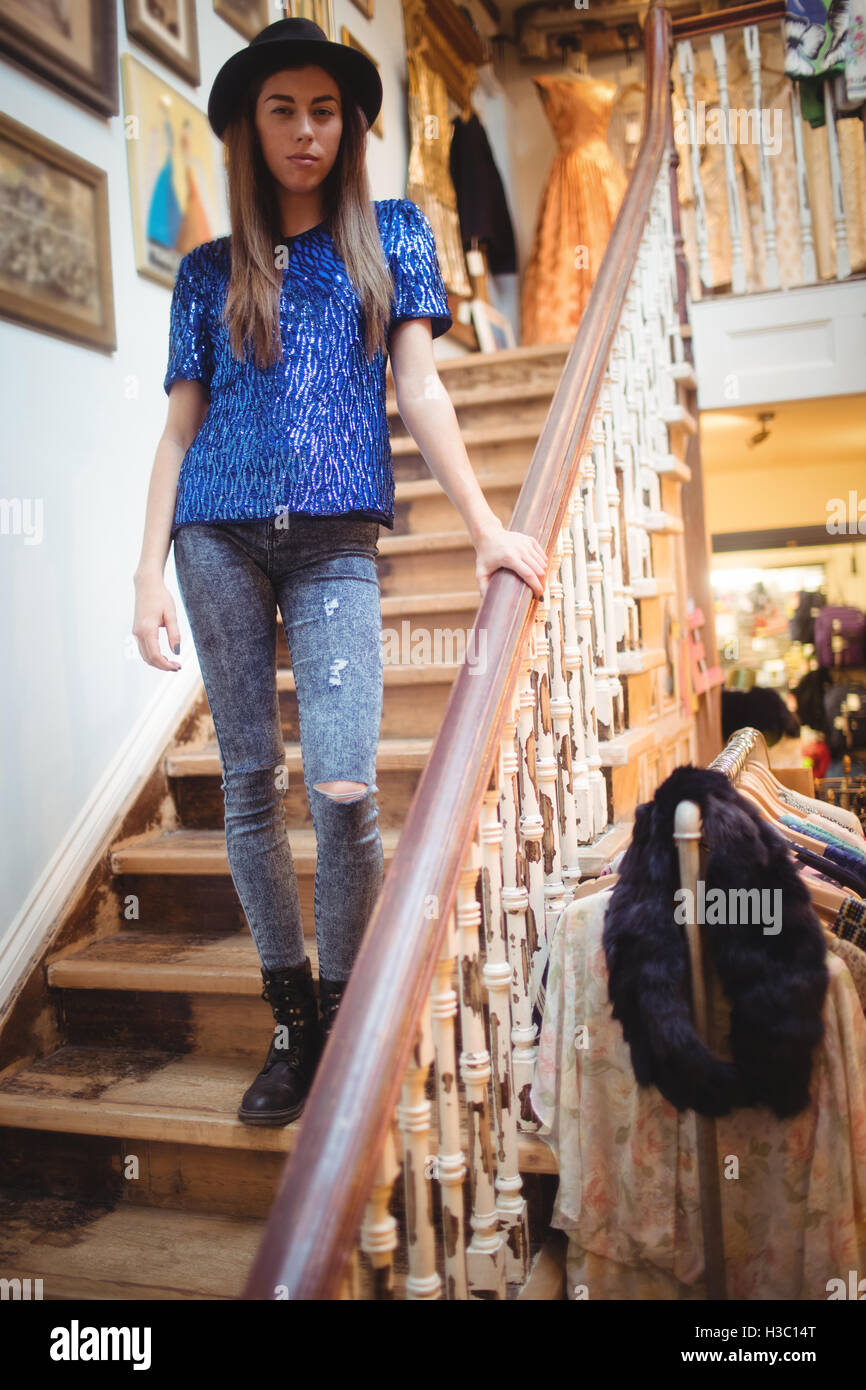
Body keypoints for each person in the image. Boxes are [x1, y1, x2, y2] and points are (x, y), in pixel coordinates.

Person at [131, 19, 547, 1128]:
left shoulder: (393, 236)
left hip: (333, 545)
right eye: (283, 110)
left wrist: (482, 527)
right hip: (213, 533)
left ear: (348, 124)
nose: (306, 130)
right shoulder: (208, 270)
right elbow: (179, 432)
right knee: (253, 785)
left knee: (345, 784)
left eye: (325, 110)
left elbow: (421, 391)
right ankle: (289, 1027)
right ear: (250, 127)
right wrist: (143, 577)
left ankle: (342, 996)